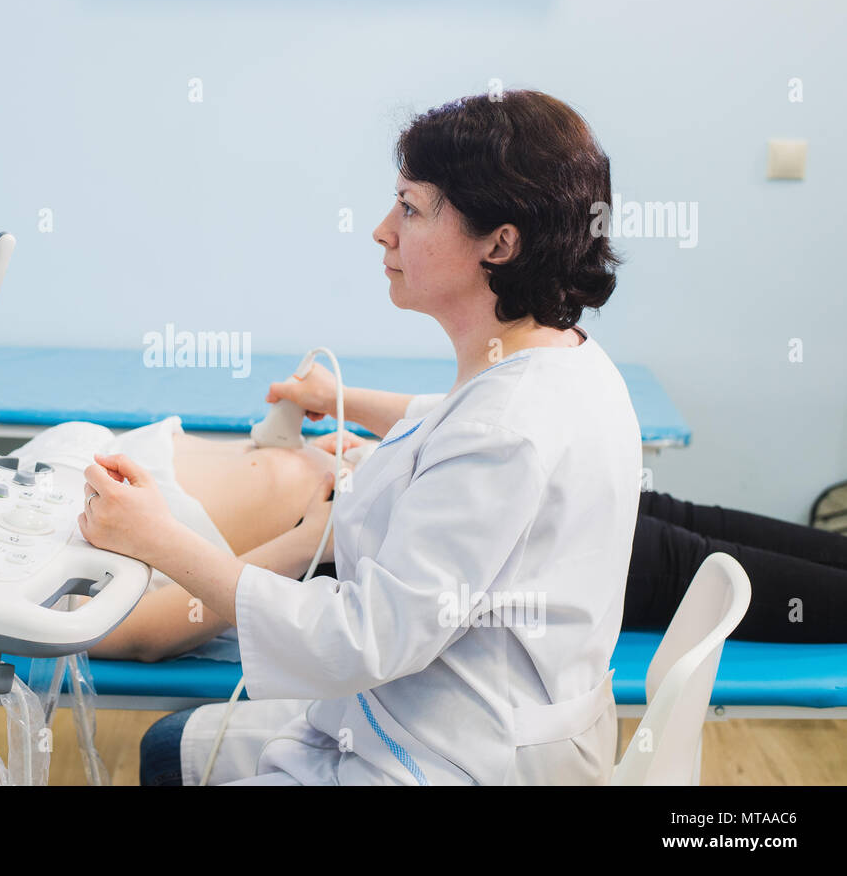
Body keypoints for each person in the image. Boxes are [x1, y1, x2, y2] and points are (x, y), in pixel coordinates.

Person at [75, 90, 645, 786]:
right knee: (170, 748)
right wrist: (371, 441)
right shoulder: (564, 359)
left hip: (454, 756)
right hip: (468, 712)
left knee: (174, 751)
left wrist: (158, 538)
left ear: (498, 243)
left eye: (410, 207)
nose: (383, 230)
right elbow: (455, 424)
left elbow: (355, 640)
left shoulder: (504, 430)